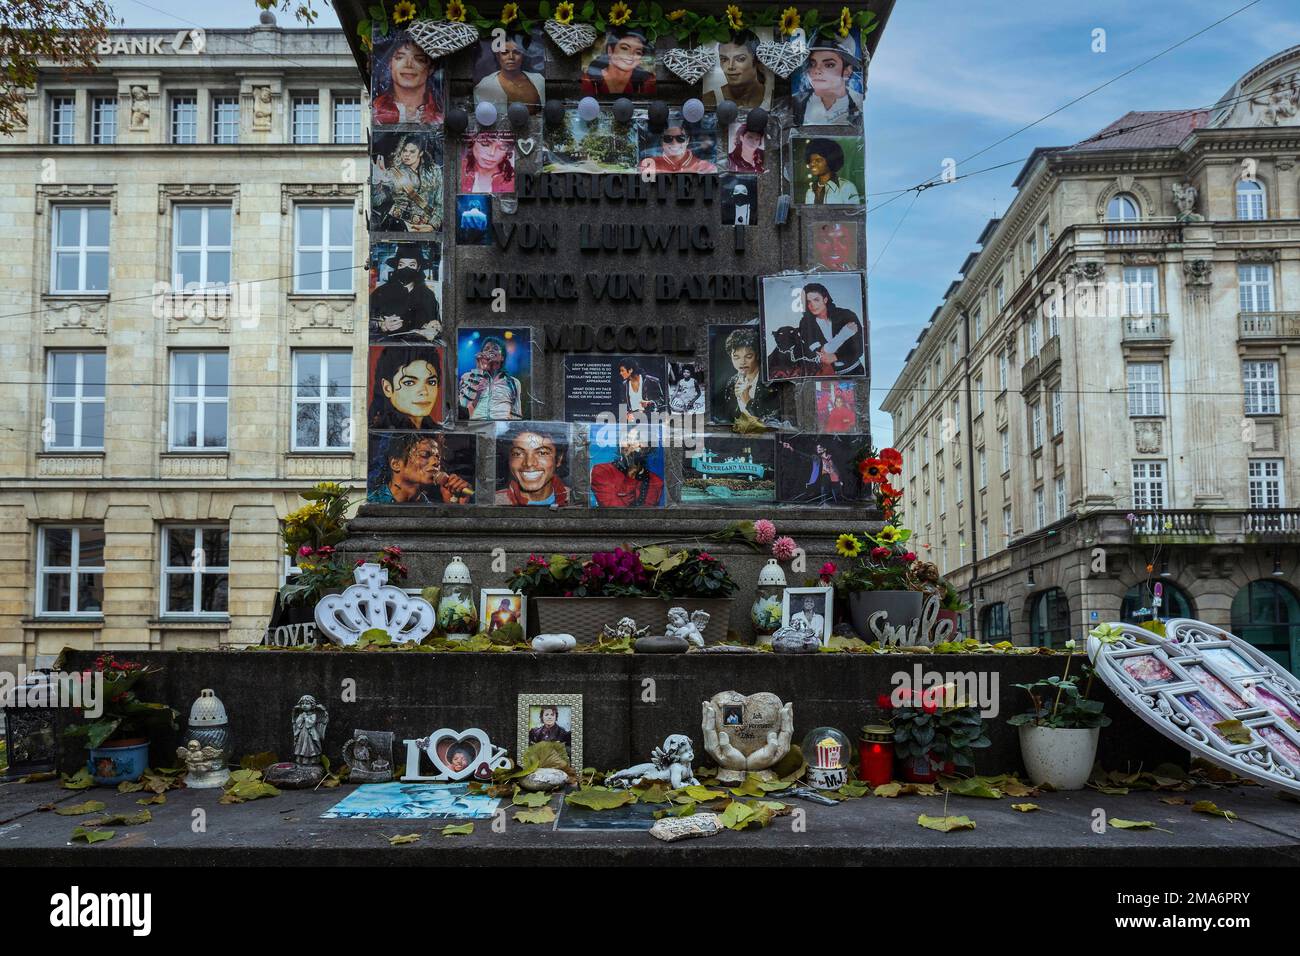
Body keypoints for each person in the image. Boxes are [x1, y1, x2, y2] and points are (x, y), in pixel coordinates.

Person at [368, 433, 473, 504]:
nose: (436, 462)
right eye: (424, 455)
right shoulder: (372, 502)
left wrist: (453, 506)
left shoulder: (431, 509)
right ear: (396, 464)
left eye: (437, 457)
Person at [370, 244, 442, 343]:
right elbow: (365, 323)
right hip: (389, 350)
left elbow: (438, 325)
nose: (406, 269)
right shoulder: (381, 292)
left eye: (412, 265)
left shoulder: (428, 295)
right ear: (396, 267)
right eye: (401, 265)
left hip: (421, 350)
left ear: (418, 267)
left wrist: (435, 329)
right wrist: (382, 325)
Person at [373, 134, 444, 232]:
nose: (407, 154)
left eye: (412, 151)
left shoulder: (435, 171)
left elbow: (440, 203)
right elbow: (376, 201)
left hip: (426, 228)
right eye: (404, 151)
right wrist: (376, 182)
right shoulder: (392, 173)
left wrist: (433, 225)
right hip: (398, 225)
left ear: (421, 153)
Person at [372, 32, 443, 125]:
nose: (409, 64)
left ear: (431, 68)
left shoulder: (440, 116)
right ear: (390, 63)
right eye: (400, 57)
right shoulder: (376, 114)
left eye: (419, 59)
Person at [793, 33, 863, 126]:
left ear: (847, 70)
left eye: (829, 65)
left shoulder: (859, 103)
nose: (816, 70)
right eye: (812, 64)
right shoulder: (793, 102)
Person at [796, 282, 864, 376]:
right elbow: (822, 354)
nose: (812, 305)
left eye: (816, 300)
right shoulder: (805, 324)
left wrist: (835, 356)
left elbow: (859, 348)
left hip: (856, 371)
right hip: (827, 376)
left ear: (825, 299)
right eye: (808, 302)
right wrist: (844, 334)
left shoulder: (846, 315)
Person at [369, 347, 442, 430]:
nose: (424, 391)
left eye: (431, 382)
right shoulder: (380, 433)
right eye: (409, 383)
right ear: (387, 388)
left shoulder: (437, 432)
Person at [495, 425, 569, 506]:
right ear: (509, 460)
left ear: (558, 459)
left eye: (542, 453)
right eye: (517, 454)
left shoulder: (575, 499)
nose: (529, 463)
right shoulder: (495, 501)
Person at [590, 427, 664, 507]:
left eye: (638, 439)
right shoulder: (602, 471)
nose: (631, 444)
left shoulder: (656, 482)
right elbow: (614, 508)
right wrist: (631, 474)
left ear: (649, 447)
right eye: (627, 438)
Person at [718, 327, 780, 422]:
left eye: (748, 356)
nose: (742, 362)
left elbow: (774, 421)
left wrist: (748, 401)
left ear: (757, 355)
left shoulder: (770, 381)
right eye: (736, 357)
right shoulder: (732, 382)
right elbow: (730, 419)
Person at [473, 34, 544, 113]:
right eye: (505, 52)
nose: (511, 57)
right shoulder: (484, 86)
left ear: (523, 55)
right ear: (498, 56)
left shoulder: (539, 80)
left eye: (517, 52)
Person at [458, 335, 523, 420]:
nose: (490, 350)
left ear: (502, 357)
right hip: (477, 428)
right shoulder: (467, 377)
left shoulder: (513, 382)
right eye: (486, 349)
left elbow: (516, 414)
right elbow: (464, 404)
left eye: (495, 348)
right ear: (481, 354)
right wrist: (478, 371)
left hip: (502, 430)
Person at [704, 30, 768, 110]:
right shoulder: (710, 99)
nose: (730, 66)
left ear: (757, 60)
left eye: (740, 59)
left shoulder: (772, 96)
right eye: (724, 59)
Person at [582, 28, 654, 96]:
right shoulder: (588, 79)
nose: (631, 55)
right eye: (624, 48)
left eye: (638, 52)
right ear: (610, 50)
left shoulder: (648, 81)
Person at [639, 124, 717, 175]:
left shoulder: (705, 167)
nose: (674, 143)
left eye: (680, 138)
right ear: (662, 141)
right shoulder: (648, 165)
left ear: (687, 140)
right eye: (668, 138)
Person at [803, 138, 861, 206]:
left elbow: (853, 214)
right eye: (810, 161)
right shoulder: (810, 192)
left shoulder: (847, 187)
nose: (812, 164)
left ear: (830, 161)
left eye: (818, 160)